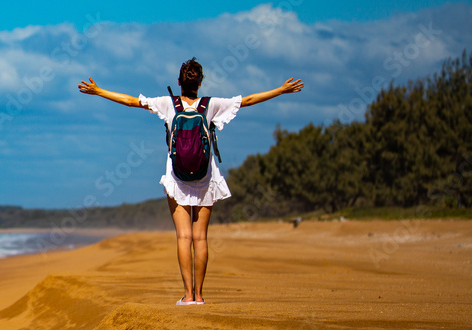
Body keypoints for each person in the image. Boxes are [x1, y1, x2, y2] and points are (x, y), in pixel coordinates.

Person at [78, 58, 304, 305]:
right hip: (206, 178)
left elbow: (132, 101)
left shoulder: (168, 104)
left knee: (184, 238)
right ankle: (200, 295)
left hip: (177, 179)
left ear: (179, 82)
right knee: (201, 238)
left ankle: (187, 296)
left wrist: (98, 91)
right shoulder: (211, 105)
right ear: (200, 83)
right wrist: (281, 90)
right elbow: (247, 100)